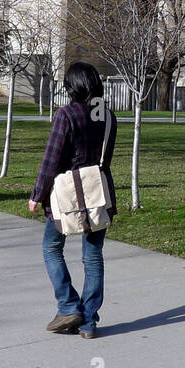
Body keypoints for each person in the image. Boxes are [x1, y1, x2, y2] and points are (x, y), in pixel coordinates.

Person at [29, 61, 117, 339]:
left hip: (68, 196)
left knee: (51, 247)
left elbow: (51, 160)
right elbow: (105, 158)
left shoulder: (65, 115)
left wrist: (37, 195)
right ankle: (89, 321)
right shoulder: (108, 116)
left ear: (74, 87)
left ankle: (68, 305)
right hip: (99, 193)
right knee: (93, 256)